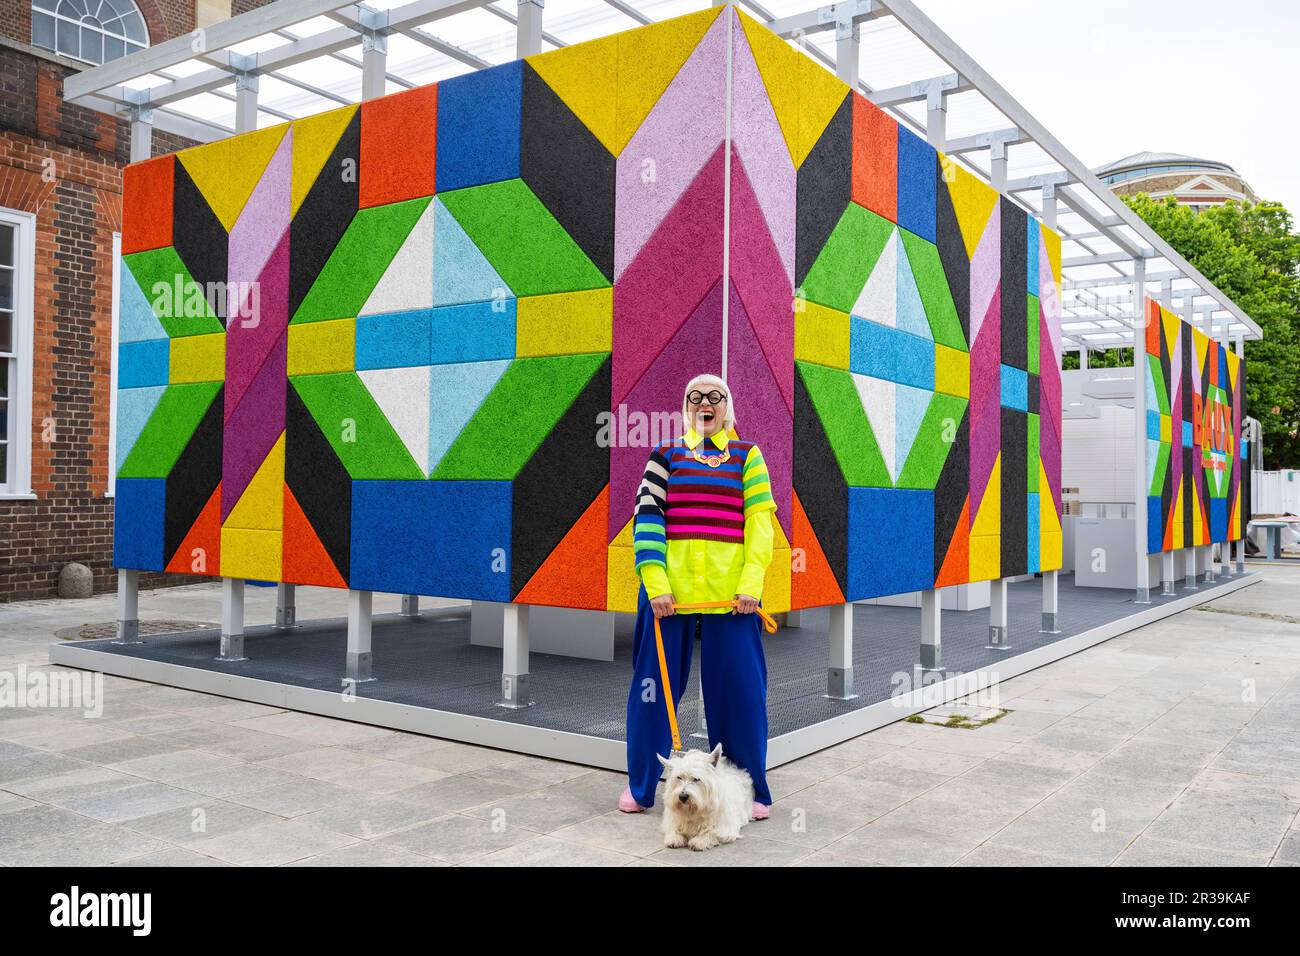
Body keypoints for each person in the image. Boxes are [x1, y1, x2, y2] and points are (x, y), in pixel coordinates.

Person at [619, 373, 777, 819]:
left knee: (741, 694)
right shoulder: (664, 454)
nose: (704, 403)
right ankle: (643, 786)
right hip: (669, 601)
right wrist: (656, 584)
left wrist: (751, 585)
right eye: (695, 397)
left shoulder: (749, 456)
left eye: (715, 396)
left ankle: (750, 790)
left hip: (733, 601)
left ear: (727, 406)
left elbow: (760, 525)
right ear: (685, 406)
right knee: (651, 693)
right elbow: (647, 519)